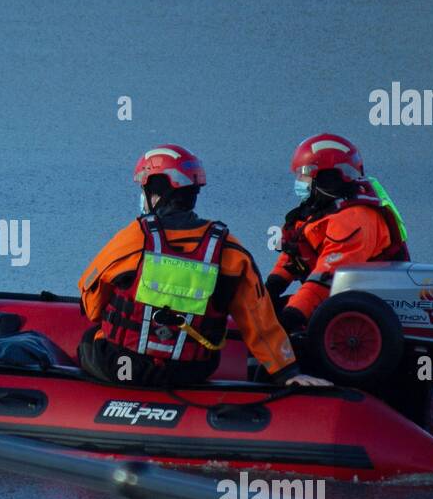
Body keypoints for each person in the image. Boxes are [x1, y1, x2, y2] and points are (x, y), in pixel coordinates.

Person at [78, 145, 328, 388]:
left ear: (156, 191)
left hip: (128, 367)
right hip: (189, 372)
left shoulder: (134, 238)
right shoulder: (229, 250)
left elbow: (91, 305)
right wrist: (287, 372)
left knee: (90, 342)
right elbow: (259, 319)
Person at [267, 133, 409, 333]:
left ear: (328, 178)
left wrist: (292, 315)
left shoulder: (354, 220)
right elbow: (296, 252)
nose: (299, 181)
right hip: (334, 300)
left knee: (276, 325)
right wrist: (268, 291)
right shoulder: (323, 210)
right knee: (266, 313)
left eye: (304, 175)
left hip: (357, 314)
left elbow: (327, 277)